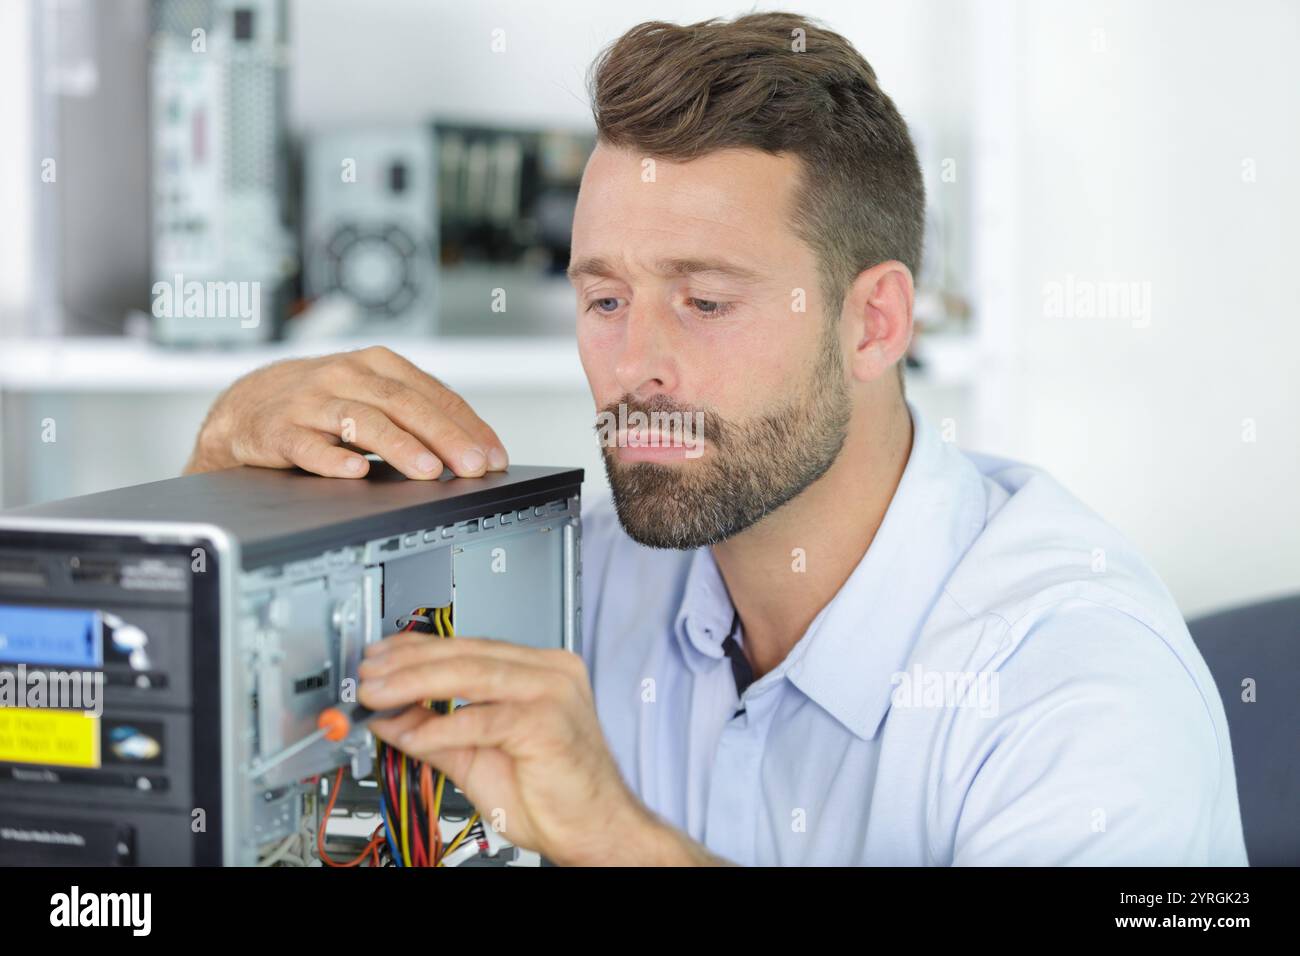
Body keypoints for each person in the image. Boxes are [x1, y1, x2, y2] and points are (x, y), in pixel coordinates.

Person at [184, 12, 1247, 865]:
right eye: (604, 300)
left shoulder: (1082, 690)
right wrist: (217, 501)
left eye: (703, 299)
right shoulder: (574, 587)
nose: (635, 362)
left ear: (873, 321)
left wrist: (618, 843)